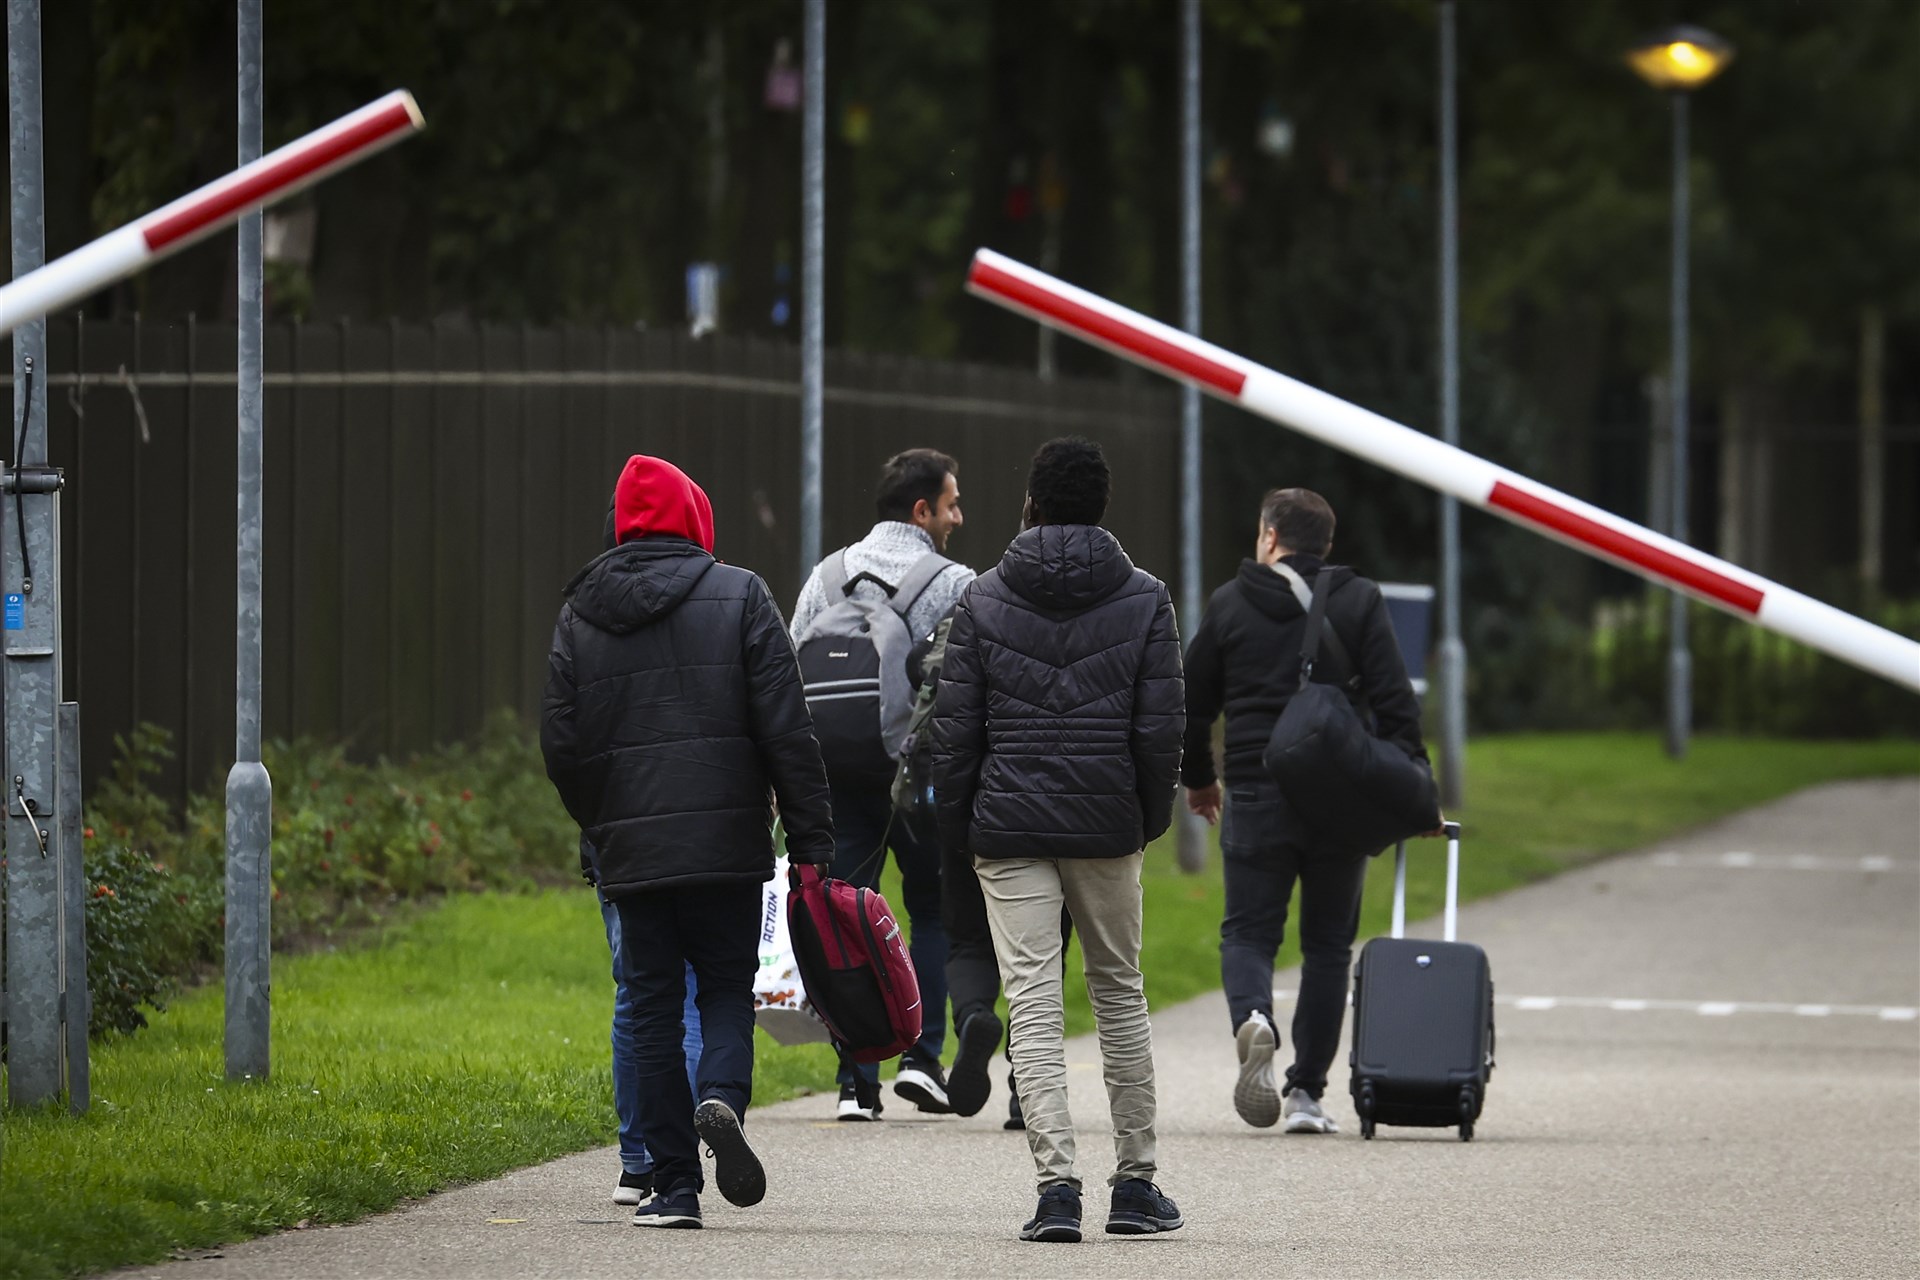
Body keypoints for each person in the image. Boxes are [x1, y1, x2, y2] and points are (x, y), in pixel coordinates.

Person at [543, 454, 834, 1229]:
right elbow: (788, 729)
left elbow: (561, 744)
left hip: (632, 853)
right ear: (694, 519)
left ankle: (672, 1187)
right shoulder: (741, 594)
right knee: (725, 990)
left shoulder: (580, 611)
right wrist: (811, 840)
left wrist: (603, 820)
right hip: (727, 844)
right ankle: (722, 1098)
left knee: (650, 1006)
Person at [931, 436, 1186, 1243]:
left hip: (1008, 827)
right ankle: (1136, 1184)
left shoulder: (982, 597)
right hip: (1108, 822)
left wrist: (961, 826)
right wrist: (1144, 818)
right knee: (1119, 991)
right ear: (1102, 505)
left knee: (1033, 1000)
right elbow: (1161, 732)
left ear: (1031, 503)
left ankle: (1057, 1192)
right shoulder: (1146, 598)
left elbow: (954, 732)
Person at [1181, 487, 1432, 1136]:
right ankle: (1305, 1095)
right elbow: (1395, 702)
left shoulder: (1230, 602)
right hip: (1338, 797)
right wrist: (1417, 789)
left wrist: (1200, 780)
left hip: (1255, 790)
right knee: (1326, 945)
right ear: (1328, 544)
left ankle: (1253, 1017)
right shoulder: (1359, 599)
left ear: (1269, 536)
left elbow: (1192, 704)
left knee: (1247, 933)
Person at [790, 448, 974, 1121]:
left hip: (833, 774)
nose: (959, 516)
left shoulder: (825, 577)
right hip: (917, 778)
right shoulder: (954, 582)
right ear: (922, 511)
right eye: (952, 504)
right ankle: (922, 1060)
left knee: (844, 916)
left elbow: (788, 672)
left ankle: (854, 1082)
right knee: (931, 911)